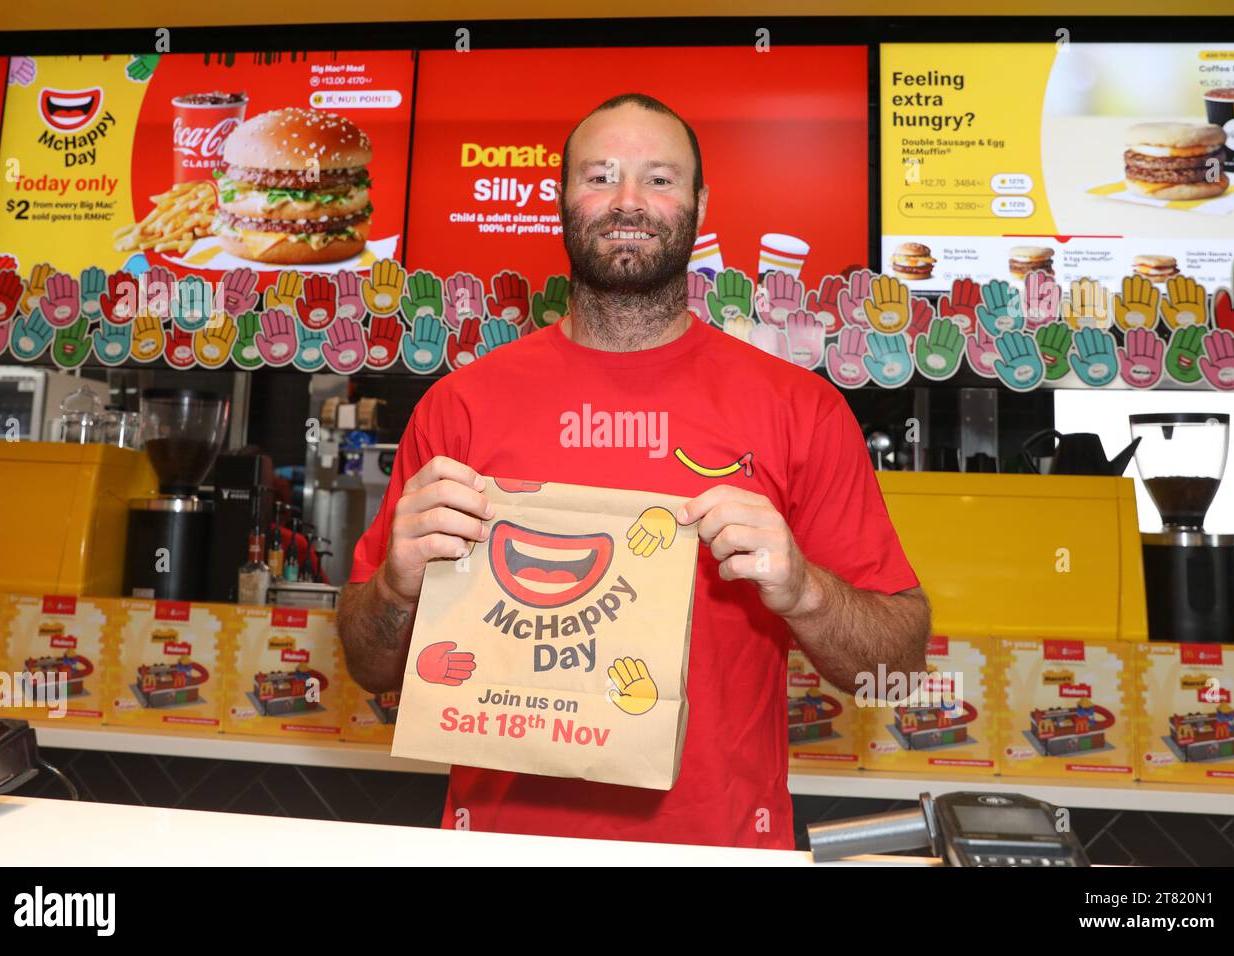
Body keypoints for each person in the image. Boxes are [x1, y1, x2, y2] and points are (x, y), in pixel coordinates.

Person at [338, 93, 929, 850]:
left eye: (658, 179)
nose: (627, 203)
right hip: (497, 847)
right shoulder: (461, 408)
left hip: (719, 851)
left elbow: (899, 668)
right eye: (600, 176)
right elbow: (368, 664)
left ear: (698, 203)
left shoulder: (798, 409)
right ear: (558, 199)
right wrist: (395, 584)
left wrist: (805, 591)